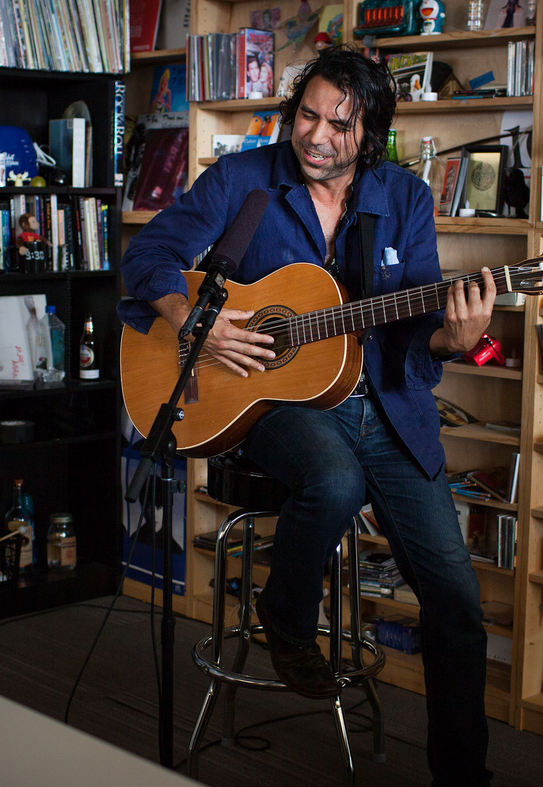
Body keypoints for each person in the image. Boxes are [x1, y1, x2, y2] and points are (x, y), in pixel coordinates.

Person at [118, 44, 495, 787]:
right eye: (306, 115)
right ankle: (286, 618)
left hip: (387, 407)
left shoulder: (404, 199)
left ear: (372, 134)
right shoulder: (243, 181)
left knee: (457, 602)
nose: (316, 136)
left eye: (339, 124)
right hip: (274, 401)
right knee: (332, 479)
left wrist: (452, 339)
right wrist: (191, 315)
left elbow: (418, 341)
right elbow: (148, 254)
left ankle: (464, 778)